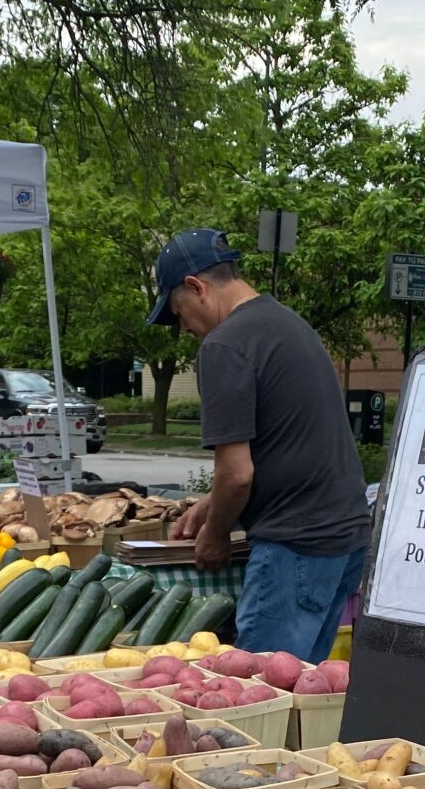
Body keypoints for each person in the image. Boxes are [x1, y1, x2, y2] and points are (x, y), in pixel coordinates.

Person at [153, 229, 371, 662]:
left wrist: (214, 535)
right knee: (302, 691)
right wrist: (211, 503)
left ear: (196, 287)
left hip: (296, 548)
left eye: (178, 313)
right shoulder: (289, 323)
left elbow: (237, 474)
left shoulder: (224, 345)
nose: (182, 327)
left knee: (258, 695)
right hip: (345, 538)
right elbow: (289, 439)